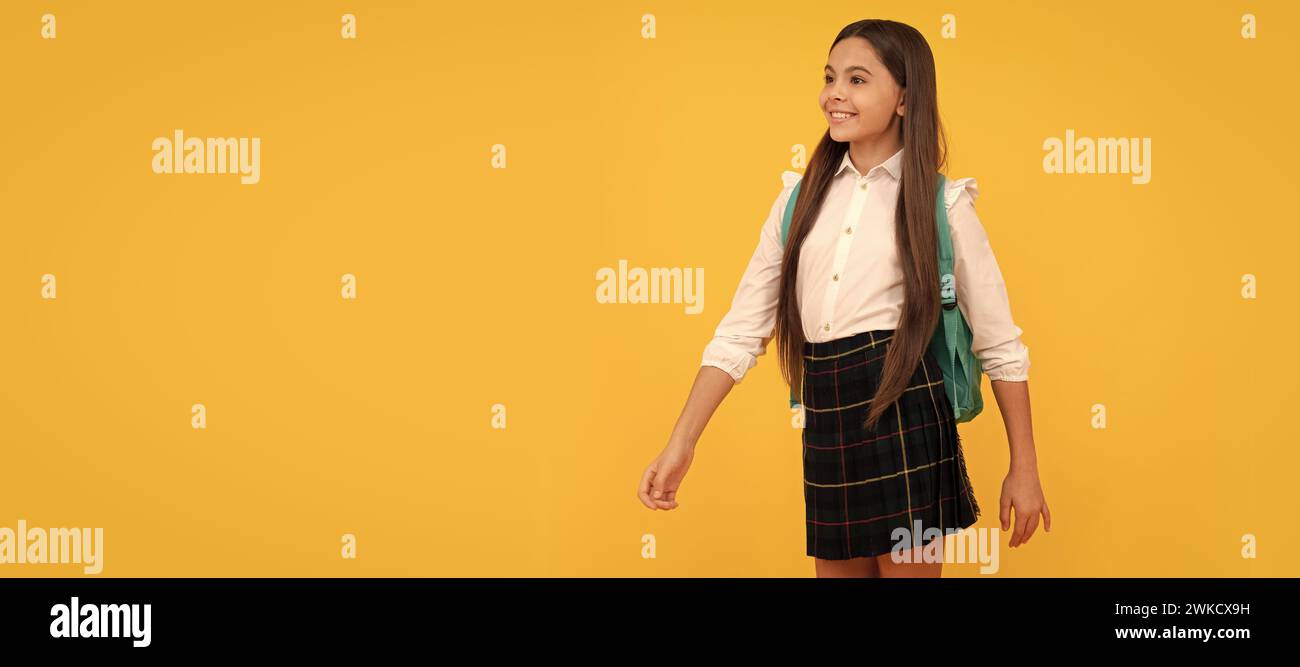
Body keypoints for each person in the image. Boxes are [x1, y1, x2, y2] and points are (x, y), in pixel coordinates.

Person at [637, 19, 1051, 578]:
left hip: (906, 412)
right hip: (828, 414)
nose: (835, 93)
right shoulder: (797, 200)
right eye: (830, 77)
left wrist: (1023, 469)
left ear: (905, 98)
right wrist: (679, 444)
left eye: (858, 79)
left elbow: (1001, 346)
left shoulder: (942, 206)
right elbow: (740, 332)